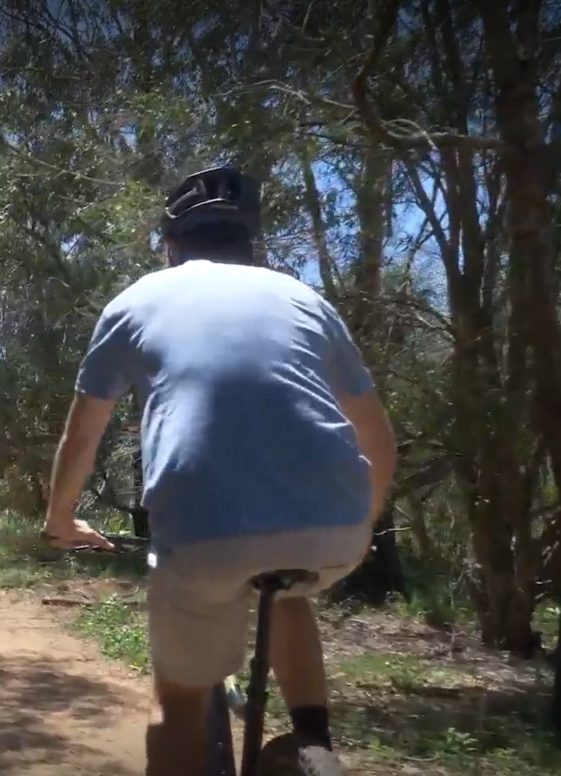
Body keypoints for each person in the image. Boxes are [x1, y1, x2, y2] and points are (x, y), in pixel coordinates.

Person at [41, 167, 397, 776]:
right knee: (288, 594)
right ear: (249, 245)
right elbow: (379, 438)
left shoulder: (136, 299)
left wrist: (60, 518)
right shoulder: (306, 299)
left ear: (170, 247)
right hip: (334, 526)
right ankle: (316, 743)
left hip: (206, 533)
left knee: (175, 708)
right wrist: (361, 523)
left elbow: (83, 434)